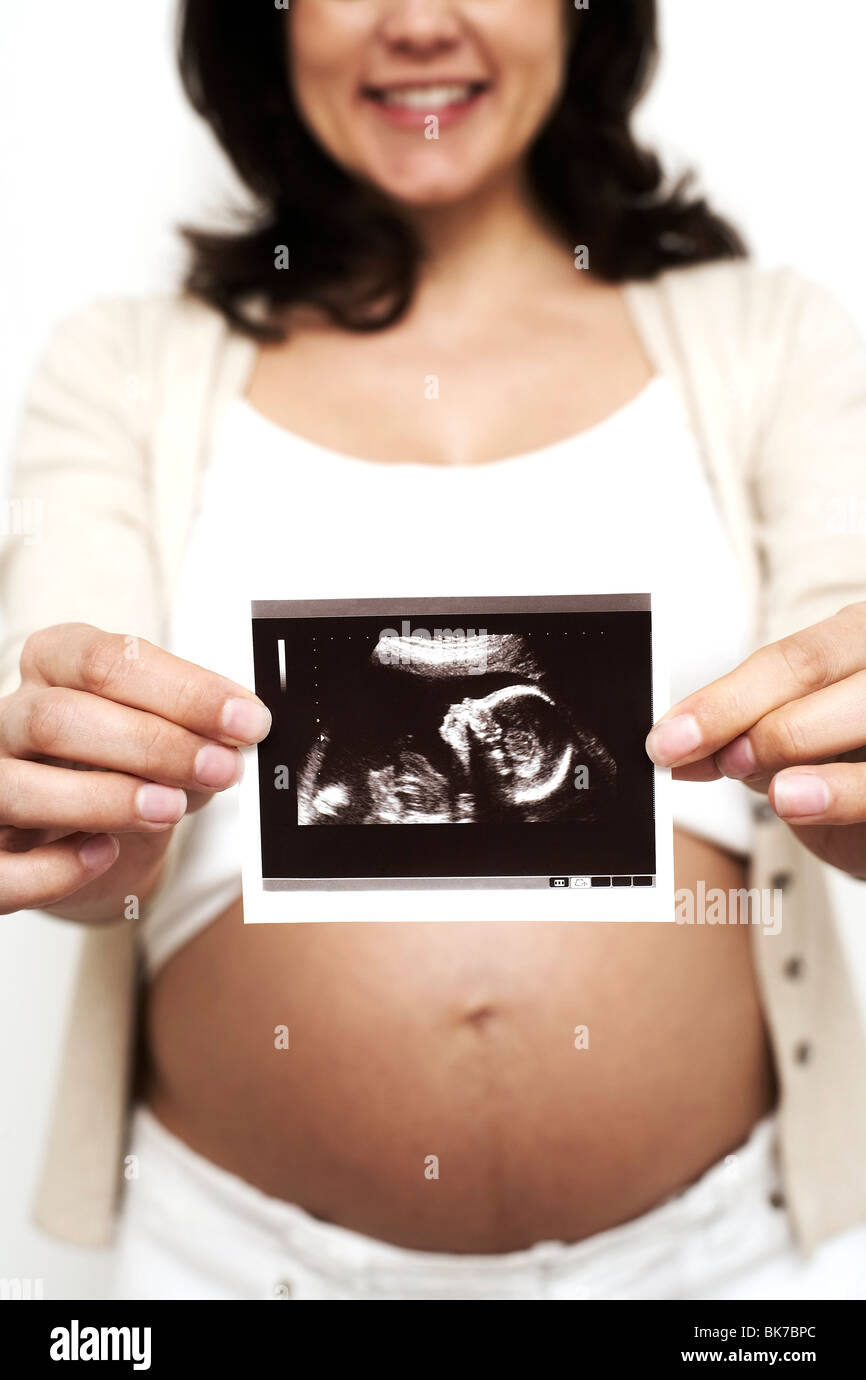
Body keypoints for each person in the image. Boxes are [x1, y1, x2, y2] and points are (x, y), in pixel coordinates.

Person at [1, 0, 866, 1300]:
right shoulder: (122, 367)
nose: (415, 21)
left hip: (722, 1271)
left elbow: (845, 654)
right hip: (229, 1265)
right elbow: (72, 809)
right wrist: (84, 842)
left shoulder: (770, 337)